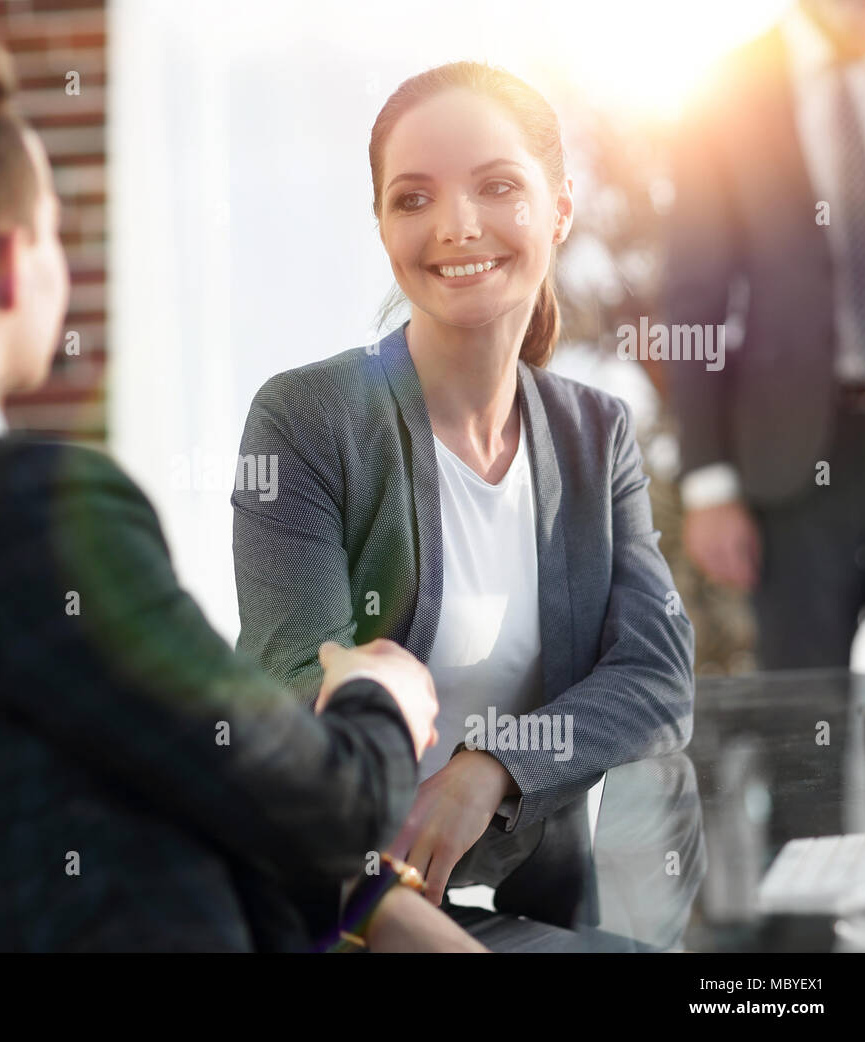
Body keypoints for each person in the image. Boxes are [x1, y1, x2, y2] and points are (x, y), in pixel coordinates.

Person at [0, 8, 482, 953]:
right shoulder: (32, 510)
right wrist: (382, 699)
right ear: (14, 268)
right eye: (55, 229)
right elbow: (323, 805)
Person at [232, 62, 696, 924]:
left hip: (530, 911)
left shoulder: (597, 435)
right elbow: (292, 680)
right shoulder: (306, 419)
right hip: (341, 906)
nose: (456, 225)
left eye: (497, 187)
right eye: (413, 199)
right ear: (381, 226)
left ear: (558, 209)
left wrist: (495, 763)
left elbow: (657, 676)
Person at [667, 0, 865, 668]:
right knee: (808, 721)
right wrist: (708, 485)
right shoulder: (728, 88)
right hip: (796, 456)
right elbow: (694, 291)